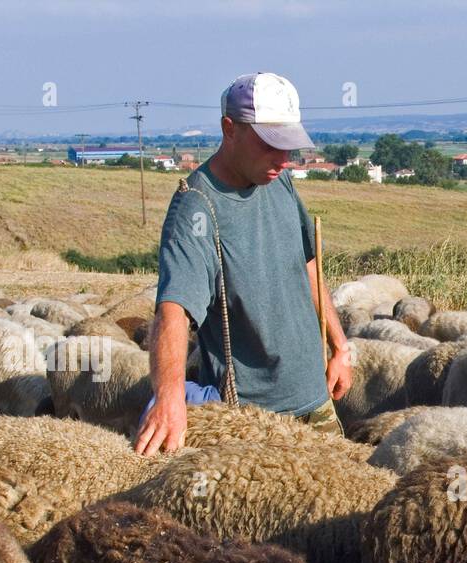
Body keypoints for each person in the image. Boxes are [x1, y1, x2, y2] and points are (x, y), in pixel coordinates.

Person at [135, 71, 352, 455]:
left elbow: (307, 262)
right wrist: (169, 398)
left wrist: (339, 346)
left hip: (315, 400)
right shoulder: (197, 208)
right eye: (270, 144)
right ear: (229, 129)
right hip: (254, 420)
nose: (283, 160)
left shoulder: (278, 180)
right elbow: (174, 310)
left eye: (289, 147)